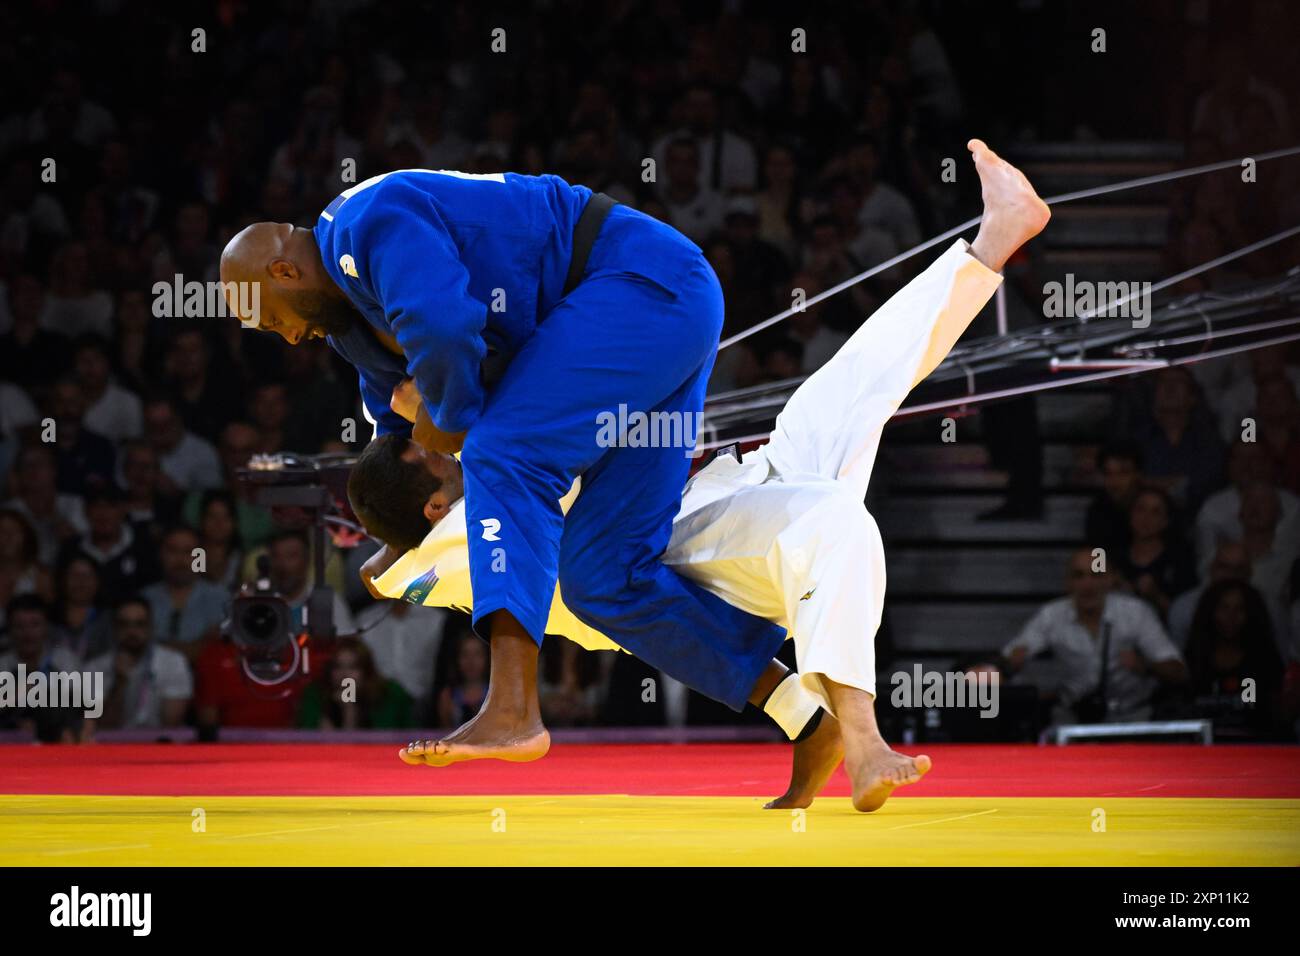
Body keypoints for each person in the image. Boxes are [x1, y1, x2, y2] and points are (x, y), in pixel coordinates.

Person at [352, 140, 1049, 810]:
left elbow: (398, 534)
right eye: (438, 458)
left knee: (853, 386)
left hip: (723, 498)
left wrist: (396, 494)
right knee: (835, 523)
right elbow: (445, 500)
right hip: (698, 560)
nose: (449, 440)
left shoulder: (447, 513)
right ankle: (863, 738)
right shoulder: (478, 526)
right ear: (438, 508)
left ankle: (991, 244)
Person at [1002, 549, 1187, 724]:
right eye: (1079, 576)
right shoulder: (1052, 615)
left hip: (1132, 717)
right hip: (1072, 718)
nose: (1087, 584)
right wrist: (1012, 661)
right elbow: (1011, 656)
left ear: (1111, 579)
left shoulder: (1135, 612)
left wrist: (1145, 666)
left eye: (1096, 575)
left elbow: (1179, 672)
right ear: (1068, 582)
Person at [85, 595, 192, 731]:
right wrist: (119, 684)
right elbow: (102, 726)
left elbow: (171, 722)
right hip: (112, 746)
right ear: (114, 628)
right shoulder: (94, 668)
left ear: (151, 627)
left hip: (160, 745)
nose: (132, 632)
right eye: (124, 624)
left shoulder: (173, 662)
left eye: (139, 624)